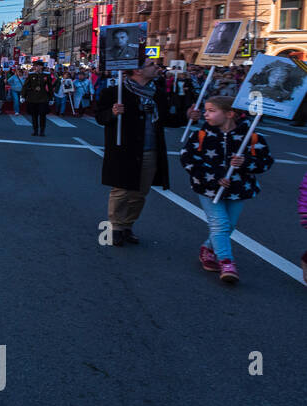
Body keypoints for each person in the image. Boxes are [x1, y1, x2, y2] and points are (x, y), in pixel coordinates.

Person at [96, 62, 197, 246]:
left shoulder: (157, 93)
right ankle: (115, 227)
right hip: (124, 149)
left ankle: (127, 225)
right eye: (151, 65)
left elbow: (166, 119)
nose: (157, 67)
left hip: (150, 149)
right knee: (122, 189)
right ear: (138, 70)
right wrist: (112, 112)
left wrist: (186, 117)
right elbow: (100, 117)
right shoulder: (114, 92)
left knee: (140, 192)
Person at [179, 95, 274, 284]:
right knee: (220, 224)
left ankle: (208, 248)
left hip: (239, 189)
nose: (205, 114)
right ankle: (226, 262)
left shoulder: (252, 136)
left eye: (212, 111)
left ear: (230, 114)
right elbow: (187, 159)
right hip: (208, 188)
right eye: (206, 110)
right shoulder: (201, 135)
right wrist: (214, 178)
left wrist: (246, 162)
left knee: (229, 225)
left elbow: (266, 162)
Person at [22, 64, 53, 136]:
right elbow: (25, 86)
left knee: (43, 115)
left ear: (41, 67)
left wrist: (51, 98)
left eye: (38, 66)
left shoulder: (46, 75)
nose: (36, 67)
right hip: (33, 98)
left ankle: (42, 131)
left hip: (43, 97)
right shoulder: (31, 75)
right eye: (36, 66)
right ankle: (35, 130)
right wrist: (23, 96)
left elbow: (50, 87)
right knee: (34, 115)